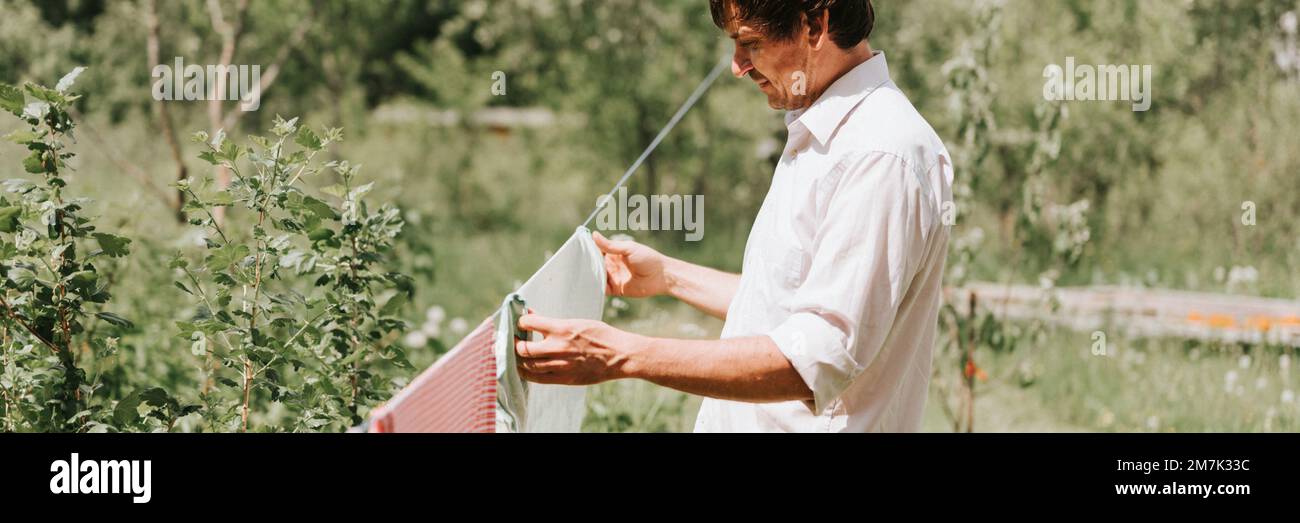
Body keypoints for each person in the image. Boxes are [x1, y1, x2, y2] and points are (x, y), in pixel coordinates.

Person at [515, 0, 954, 432]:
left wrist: (622, 354)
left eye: (751, 43)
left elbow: (815, 359)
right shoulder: (825, 133)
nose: (737, 66)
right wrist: (668, 276)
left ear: (815, 25)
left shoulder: (878, 154)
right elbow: (788, 304)